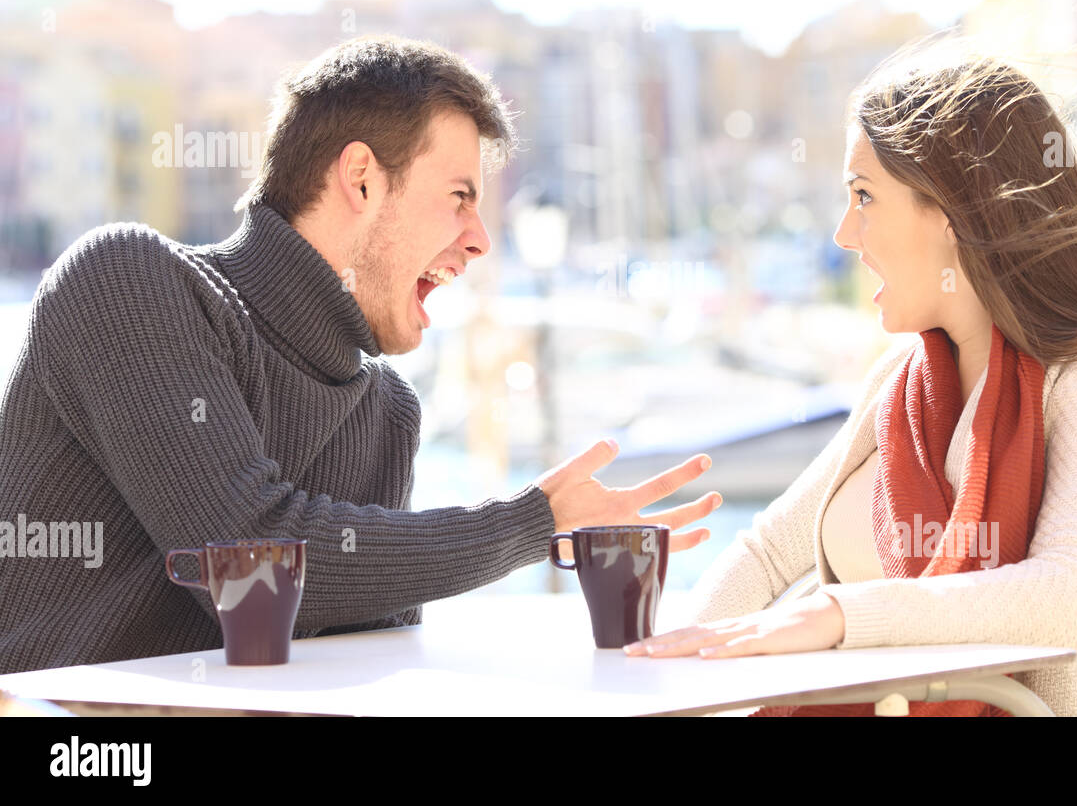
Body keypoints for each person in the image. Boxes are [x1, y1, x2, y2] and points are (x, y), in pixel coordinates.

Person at [0, 35, 720, 675]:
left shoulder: (385, 410)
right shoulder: (129, 279)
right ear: (362, 178)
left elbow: (363, 664)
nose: (479, 239)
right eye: (459, 197)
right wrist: (532, 523)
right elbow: (246, 553)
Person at [625, 40, 1077, 718]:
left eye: (864, 196)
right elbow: (766, 551)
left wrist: (841, 617)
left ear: (954, 211)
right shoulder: (897, 382)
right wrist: (674, 666)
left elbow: (1076, 597)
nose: (844, 233)